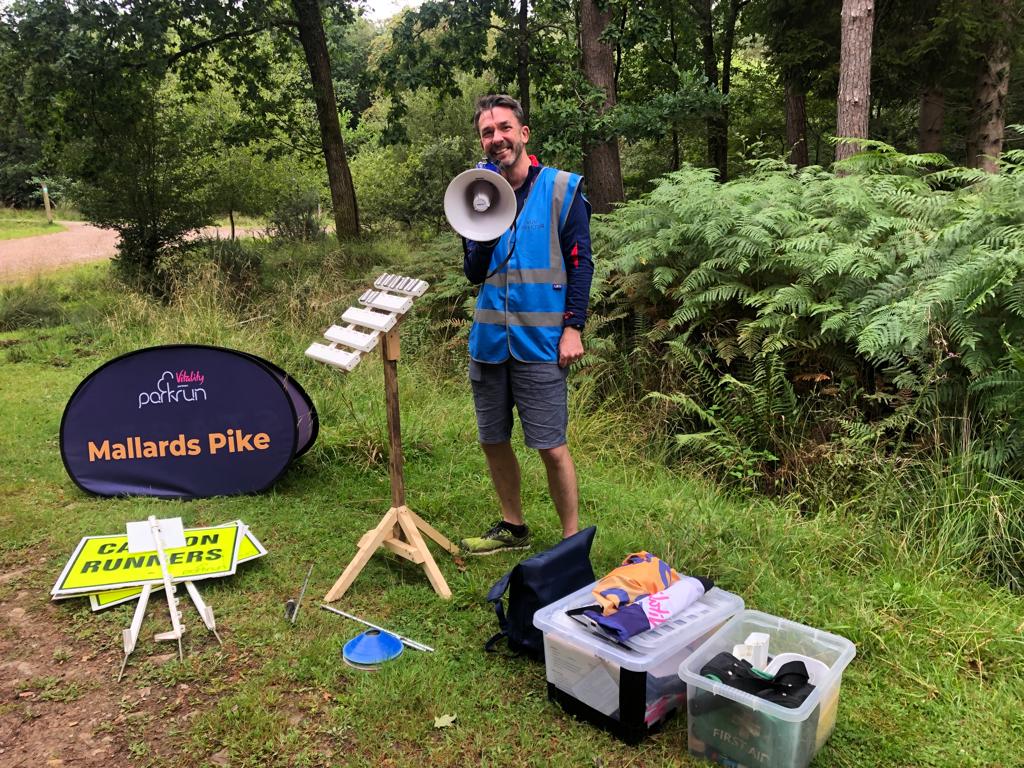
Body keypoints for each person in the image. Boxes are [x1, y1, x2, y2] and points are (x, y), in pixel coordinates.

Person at [458, 94, 594, 555]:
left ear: (523, 134)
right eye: (487, 132)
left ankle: (571, 541)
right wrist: (484, 225)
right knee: (493, 439)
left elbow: (581, 263)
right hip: (491, 341)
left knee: (551, 446)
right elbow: (475, 272)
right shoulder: (476, 193)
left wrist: (574, 326)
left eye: (503, 128)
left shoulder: (561, 189)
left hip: (541, 342)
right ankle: (513, 528)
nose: (496, 139)